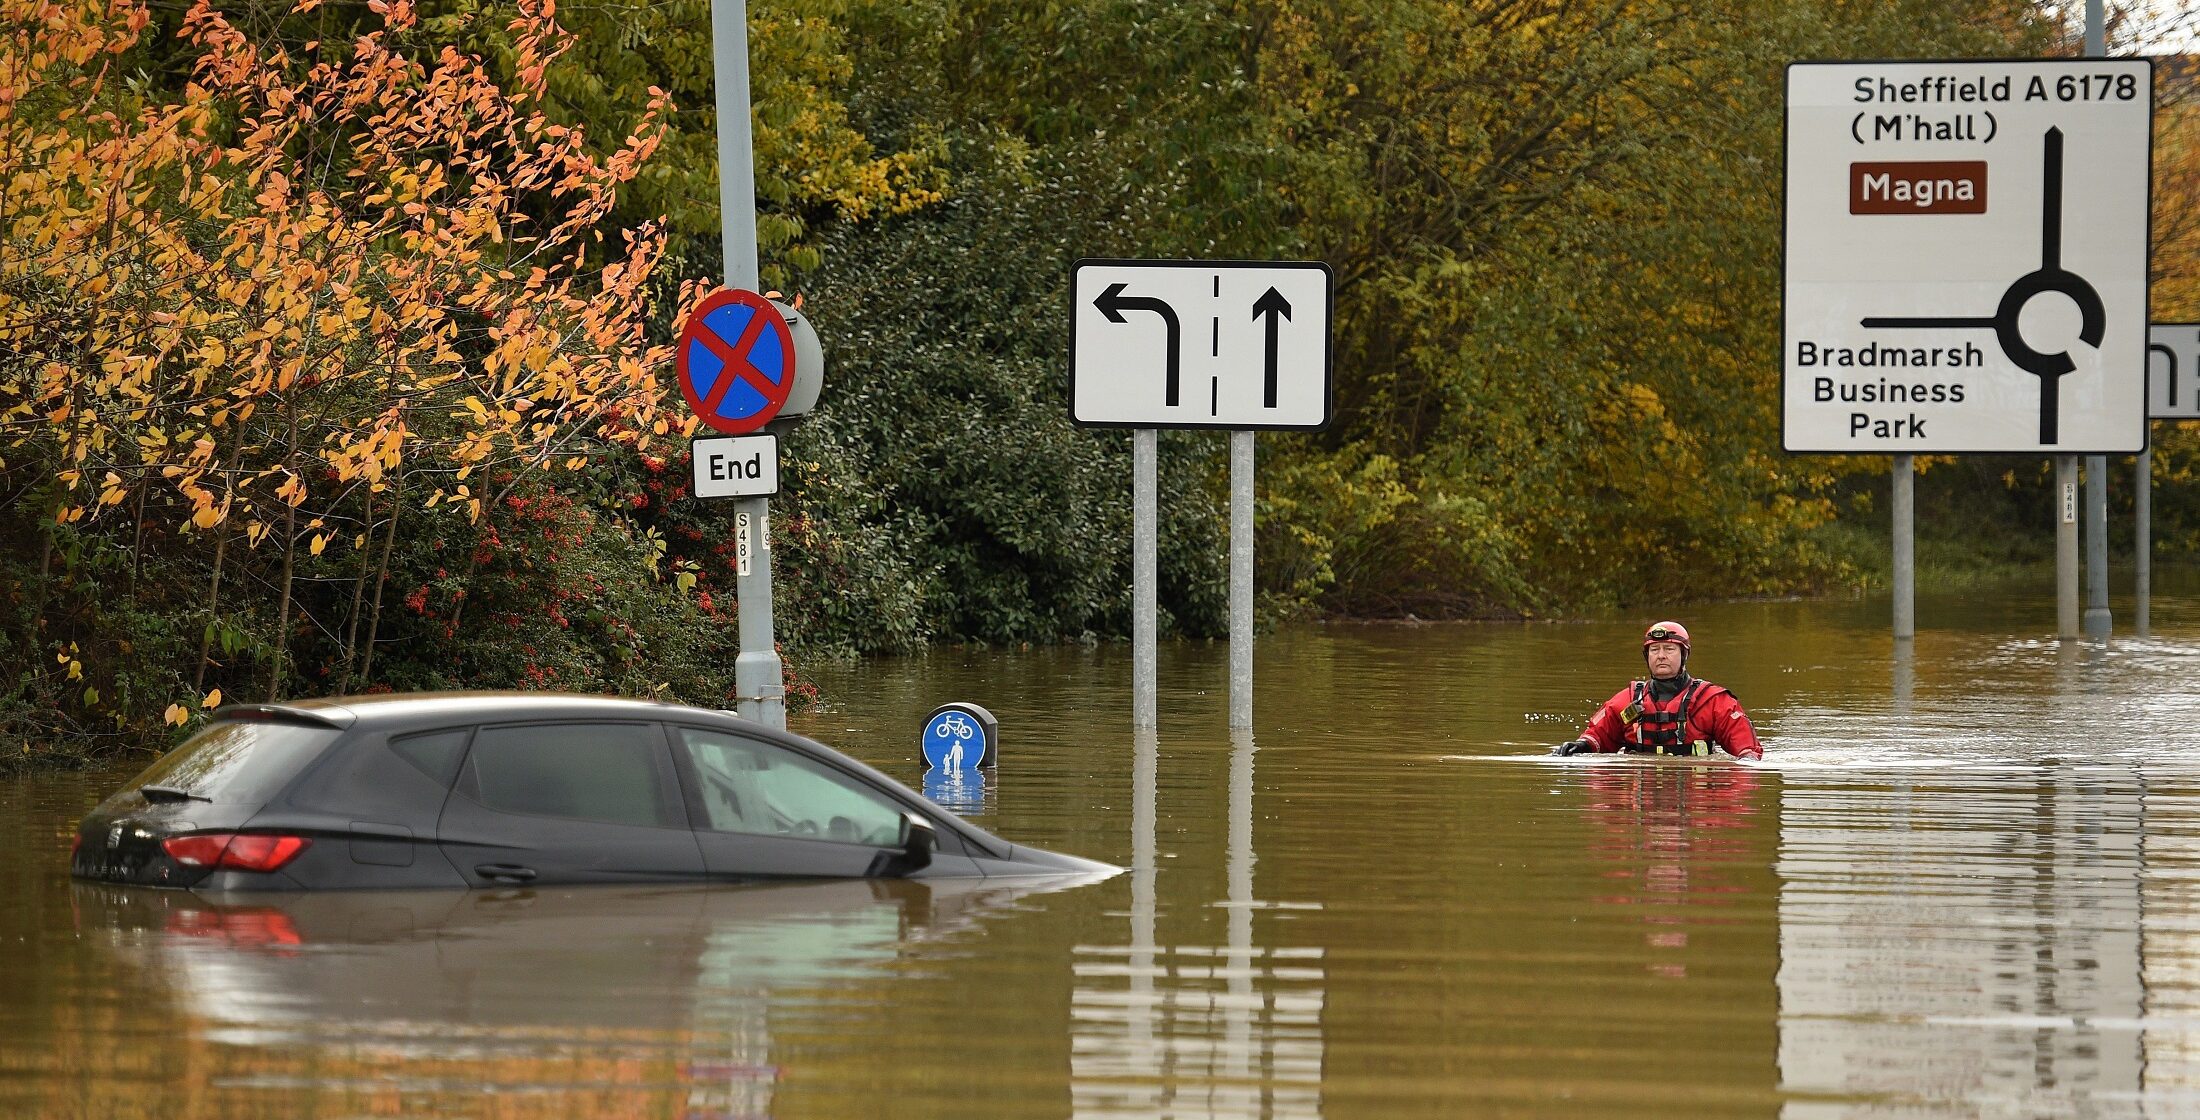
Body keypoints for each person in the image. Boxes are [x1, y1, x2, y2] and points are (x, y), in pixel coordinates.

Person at [1551, 621, 1763, 760]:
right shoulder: (1628, 700)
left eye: (1669, 649)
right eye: (1654, 650)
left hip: (1695, 791)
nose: (1661, 655)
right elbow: (1598, 736)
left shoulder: (1712, 701)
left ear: (1684, 655)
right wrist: (1581, 746)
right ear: (1647, 656)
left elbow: (1748, 753)